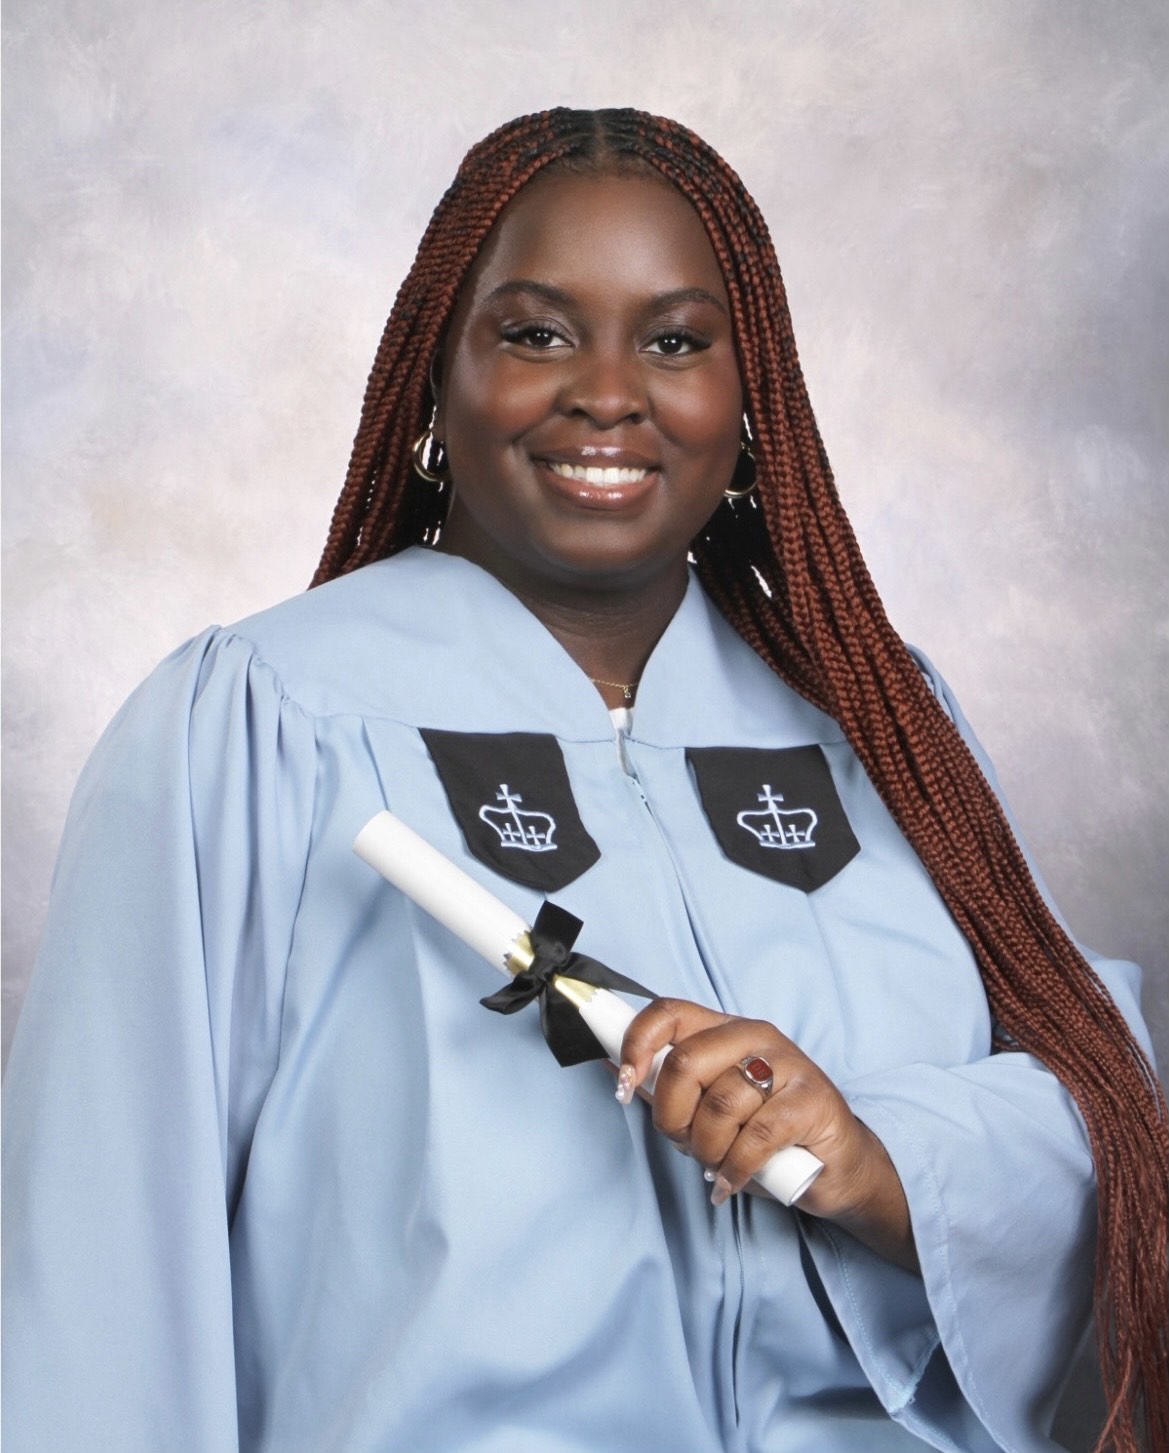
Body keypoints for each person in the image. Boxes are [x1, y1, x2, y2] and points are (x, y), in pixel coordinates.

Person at [3, 106, 1166, 1453]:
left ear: (751, 404)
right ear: (435, 379)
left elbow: (1099, 1098)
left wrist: (878, 1155)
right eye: (537, 334)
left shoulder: (876, 724)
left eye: (674, 342)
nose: (607, 393)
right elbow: (103, 1276)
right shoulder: (265, 723)